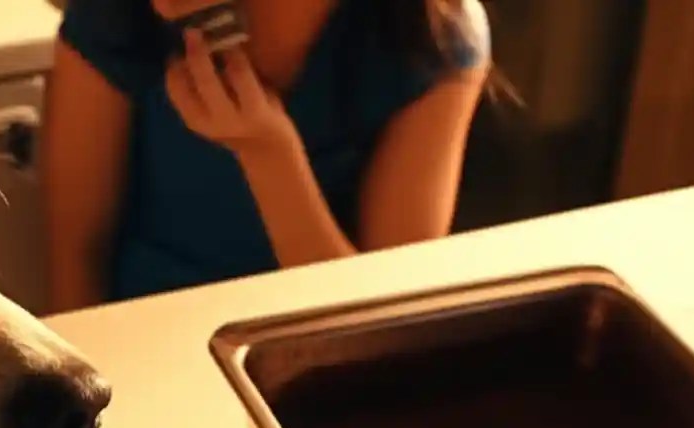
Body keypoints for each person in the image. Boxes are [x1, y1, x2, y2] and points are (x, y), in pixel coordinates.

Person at [41, 0, 492, 311]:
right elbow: (76, 253)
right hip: (141, 352)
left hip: (313, 376)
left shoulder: (436, 35)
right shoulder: (121, 14)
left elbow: (384, 317)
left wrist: (270, 157)